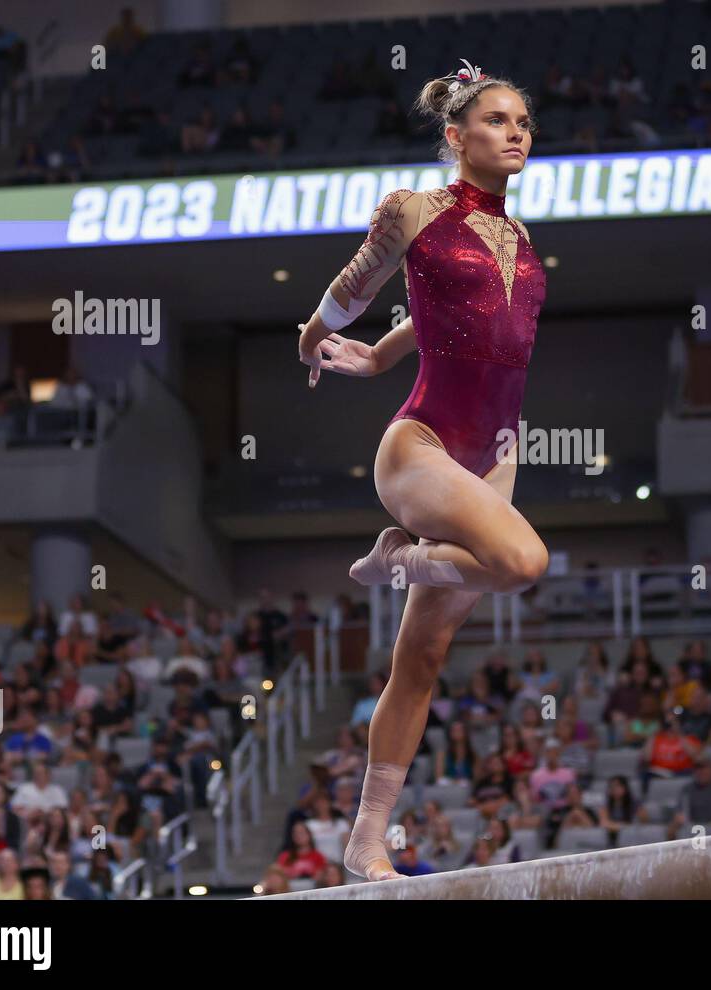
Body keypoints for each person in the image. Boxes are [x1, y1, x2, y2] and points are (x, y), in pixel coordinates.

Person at [296, 60, 548, 882]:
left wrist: (389, 349)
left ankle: (368, 837)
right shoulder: (413, 210)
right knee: (522, 563)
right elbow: (355, 284)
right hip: (425, 447)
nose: (516, 133)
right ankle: (398, 556)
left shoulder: (519, 236)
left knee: (423, 656)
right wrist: (319, 338)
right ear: (455, 136)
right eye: (498, 121)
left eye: (523, 123)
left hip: (495, 458)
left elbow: (460, 314)